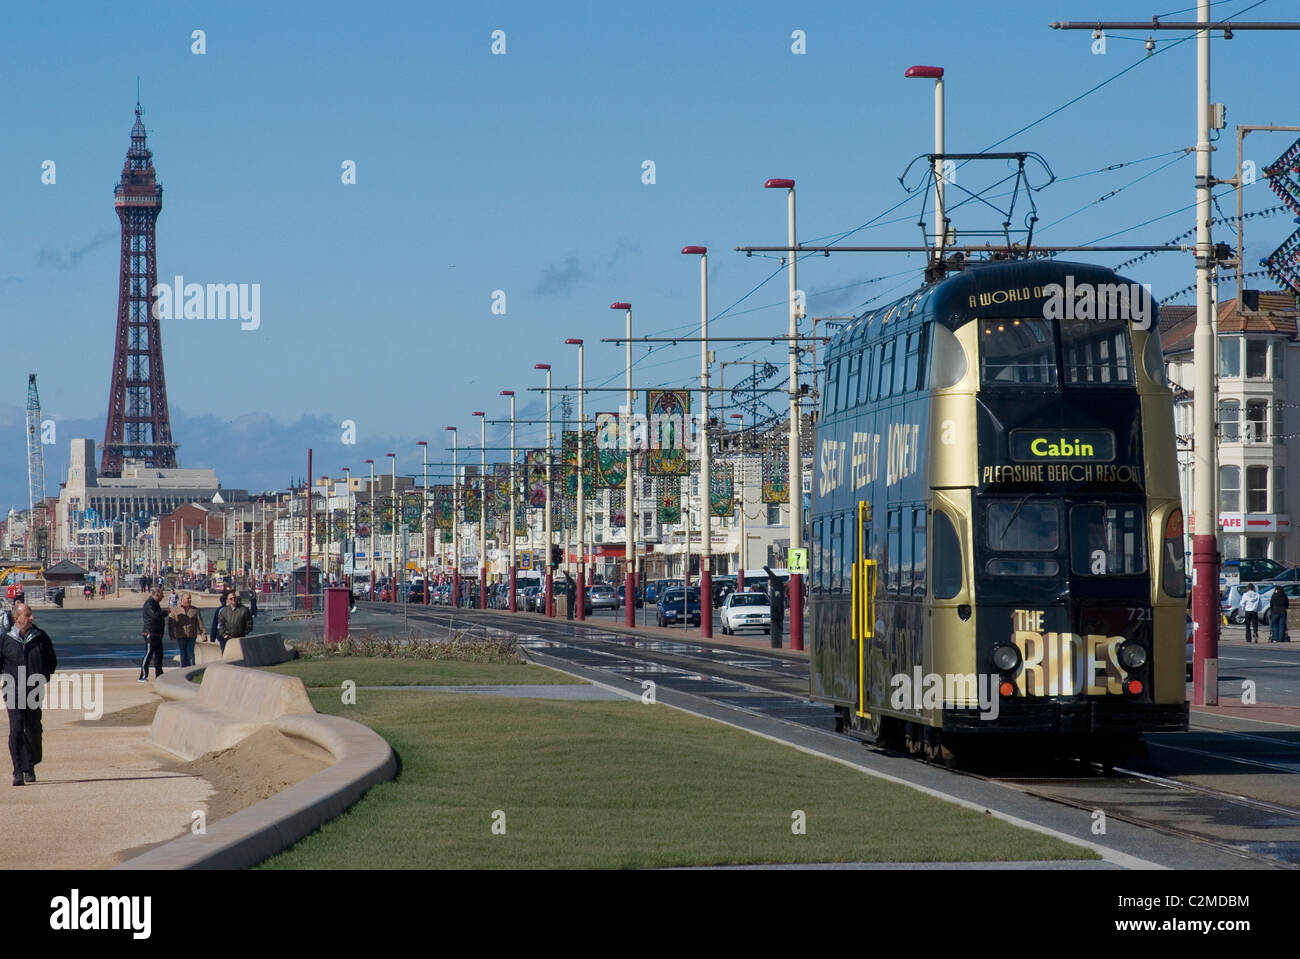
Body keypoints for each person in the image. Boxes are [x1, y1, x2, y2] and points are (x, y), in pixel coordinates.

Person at [2, 602, 57, 785]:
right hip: (13, 690)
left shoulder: (40, 637)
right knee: (16, 729)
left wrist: (43, 677)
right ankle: (18, 770)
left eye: (31, 614)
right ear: (17, 618)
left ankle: (30, 766)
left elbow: (51, 661)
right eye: (27, 614)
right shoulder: (6, 639)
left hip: (34, 690)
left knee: (33, 729)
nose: (31, 617)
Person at [168, 592, 207, 667]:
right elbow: (171, 624)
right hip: (180, 635)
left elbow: (200, 623)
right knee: (183, 653)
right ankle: (183, 669)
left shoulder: (195, 610)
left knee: (190, 653)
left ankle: (191, 669)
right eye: (188, 598)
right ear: (182, 599)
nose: (190, 600)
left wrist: (203, 635)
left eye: (190, 598)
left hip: (191, 635)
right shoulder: (175, 610)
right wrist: (172, 635)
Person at [140, 588, 167, 681]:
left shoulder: (155, 603)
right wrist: (166, 612)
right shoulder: (150, 603)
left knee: (159, 654)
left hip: (157, 633)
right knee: (149, 653)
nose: (163, 598)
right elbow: (155, 615)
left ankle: (159, 674)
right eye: (162, 596)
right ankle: (143, 675)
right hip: (150, 632)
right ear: (157, 595)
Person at [763, 565, 785, 648]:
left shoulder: (777, 585)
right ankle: (776, 644)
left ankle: (777, 644)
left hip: (777, 613)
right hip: (775, 612)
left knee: (777, 623)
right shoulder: (774, 585)